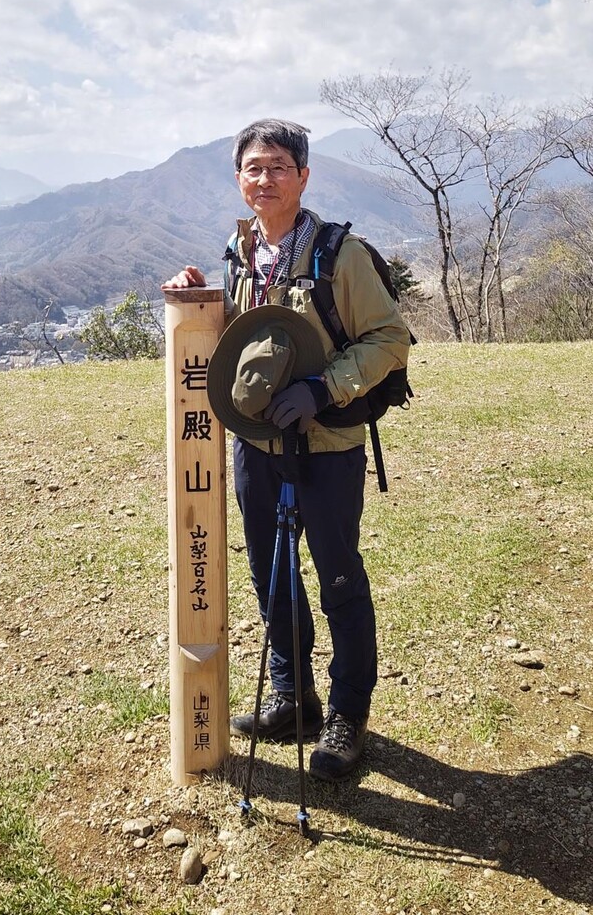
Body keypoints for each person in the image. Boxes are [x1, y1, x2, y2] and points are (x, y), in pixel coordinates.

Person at [163, 117, 410, 779]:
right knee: (271, 574)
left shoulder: (340, 255)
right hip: (259, 445)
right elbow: (235, 343)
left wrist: (324, 389)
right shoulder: (238, 251)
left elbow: (390, 338)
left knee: (337, 578)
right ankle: (292, 696)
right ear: (239, 180)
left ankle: (347, 717)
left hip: (326, 444)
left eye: (278, 166)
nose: (264, 178)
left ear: (304, 176)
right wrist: (199, 297)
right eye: (253, 167)